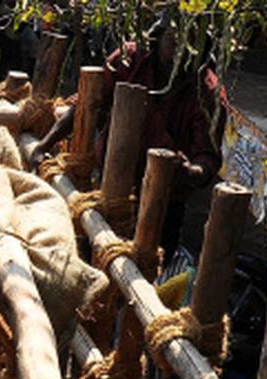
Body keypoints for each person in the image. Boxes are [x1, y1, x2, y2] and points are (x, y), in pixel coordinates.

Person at [29, 20, 226, 254]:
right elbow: (87, 102)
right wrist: (44, 145)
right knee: (92, 250)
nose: (182, 51)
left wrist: (188, 170)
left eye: (193, 45)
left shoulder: (208, 94)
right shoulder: (129, 59)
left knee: (151, 264)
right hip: (109, 184)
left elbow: (207, 159)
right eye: (175, 40)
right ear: (159, 36)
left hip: (163, 203)